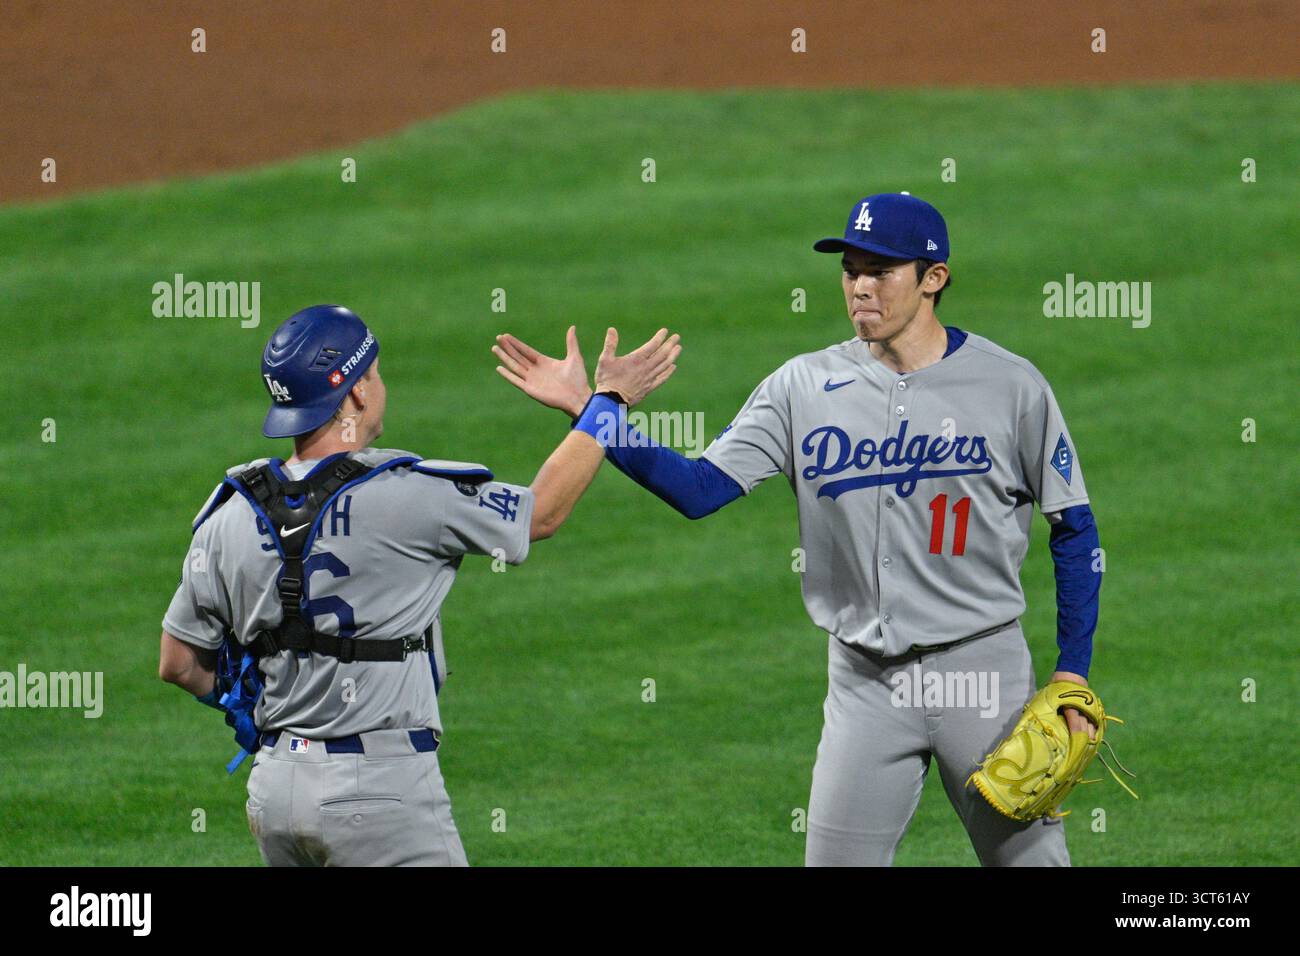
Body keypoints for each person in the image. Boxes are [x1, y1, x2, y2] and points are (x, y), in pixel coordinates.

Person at [491, 194, 1102, 866]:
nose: (861, 287)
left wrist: (1071, 670)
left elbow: (1075, 529)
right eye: (851, 270)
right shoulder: (802, 386)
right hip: (865, 683)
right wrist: (591, 411)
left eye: (882, 270)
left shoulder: (1011, 385)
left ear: (934, 278)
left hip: (982, 675)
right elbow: (699, 491)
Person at [159, 303, 679, 866]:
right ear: (356, 392)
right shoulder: (407, 495)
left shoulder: (227, 515)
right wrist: (604, 403)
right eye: (374, 374)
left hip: (275, 792)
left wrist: (254, 707)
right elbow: (541, 514)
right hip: (379, 795)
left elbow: (179, 664)